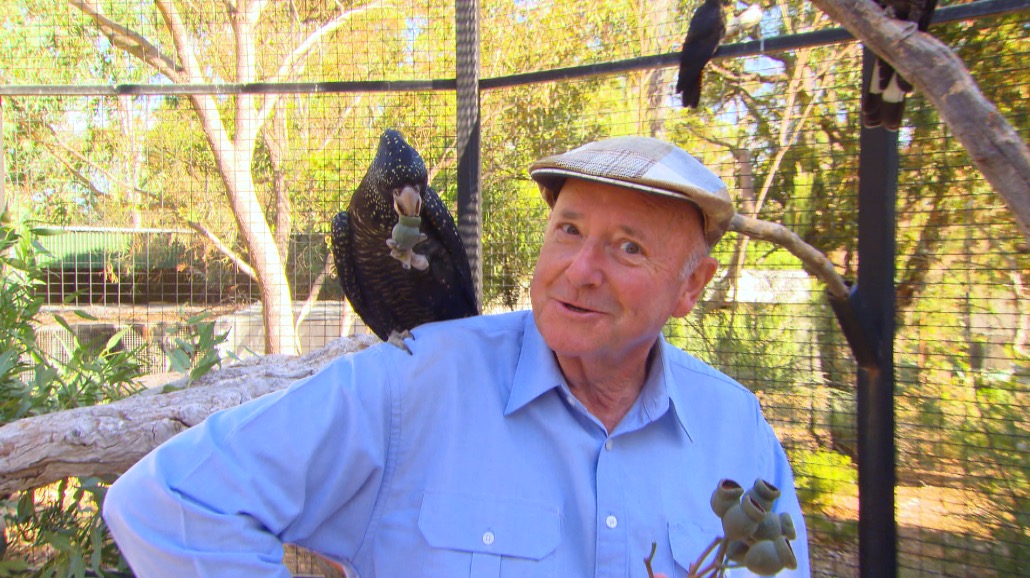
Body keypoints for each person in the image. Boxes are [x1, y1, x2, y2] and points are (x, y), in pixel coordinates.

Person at [103, 136, 811, 577]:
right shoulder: (408, 387)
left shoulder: (735, 430)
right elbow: (169, 501)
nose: (580, 270)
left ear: (691, 287)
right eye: (568, 230)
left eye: (628, 247)